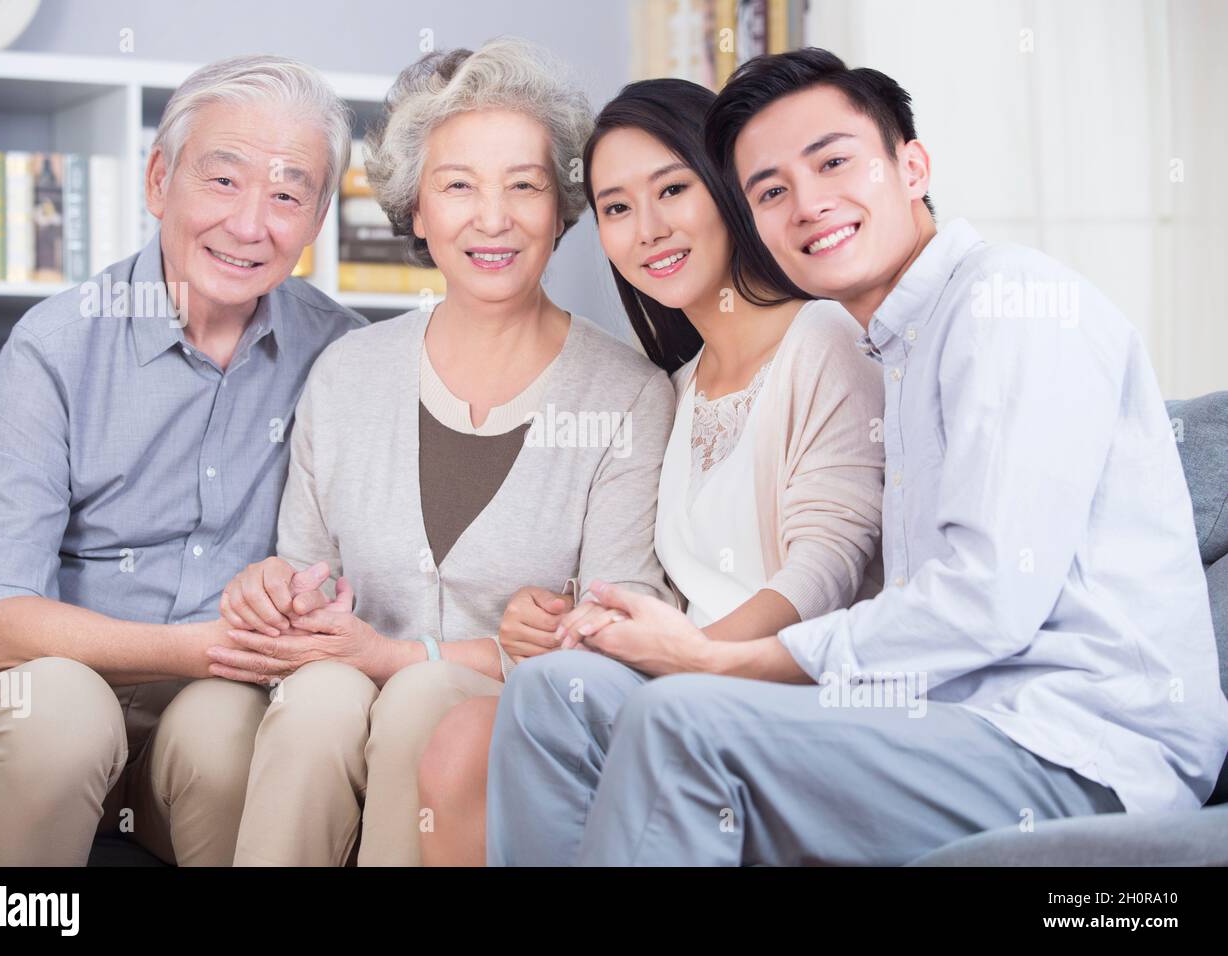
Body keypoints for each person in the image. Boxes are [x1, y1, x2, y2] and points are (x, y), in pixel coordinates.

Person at [485, 47, 1228, 866]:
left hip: (1074, 744)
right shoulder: (895, 347)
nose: (808, 206)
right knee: (553, 695)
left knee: (680, 722)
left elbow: (985, 600)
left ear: (912, 165)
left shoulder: (1009, 309)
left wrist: (719, 660)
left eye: (834, 161)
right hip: (941, 718)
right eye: (772, 191)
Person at [213, 37, 675, 867]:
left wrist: (405, 656)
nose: (491, 218)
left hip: (501, 728)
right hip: (338, 696)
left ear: (562, 208)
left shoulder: (629, 395)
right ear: (416, 211)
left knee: (424, 692)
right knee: (315, 699)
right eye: (458, 186)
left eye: (523, 187)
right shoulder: (347, 374)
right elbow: (307, 577)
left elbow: (614, 638)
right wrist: (279, 595)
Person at [417, 77, 884, 866]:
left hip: (784, 684)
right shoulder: (673, 387)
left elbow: (826, 572)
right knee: (473, 727)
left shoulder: (823, 339)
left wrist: (687, 658)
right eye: (617, 208)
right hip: (680, 682)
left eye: (674, 188)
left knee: (536, 700)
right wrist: (568, 612)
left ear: (731, 188)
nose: (650, 229)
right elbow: (664, 585)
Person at [0, 54, 364, 865]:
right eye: (223, 181)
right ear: (159, 179)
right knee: (62, 712)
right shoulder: (55, 345)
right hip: (22, 690)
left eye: (286, 195)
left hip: (213, 703)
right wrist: (202, 647)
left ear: (317, 218)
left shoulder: (345, 358)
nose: (249, 225)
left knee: (229, 729)